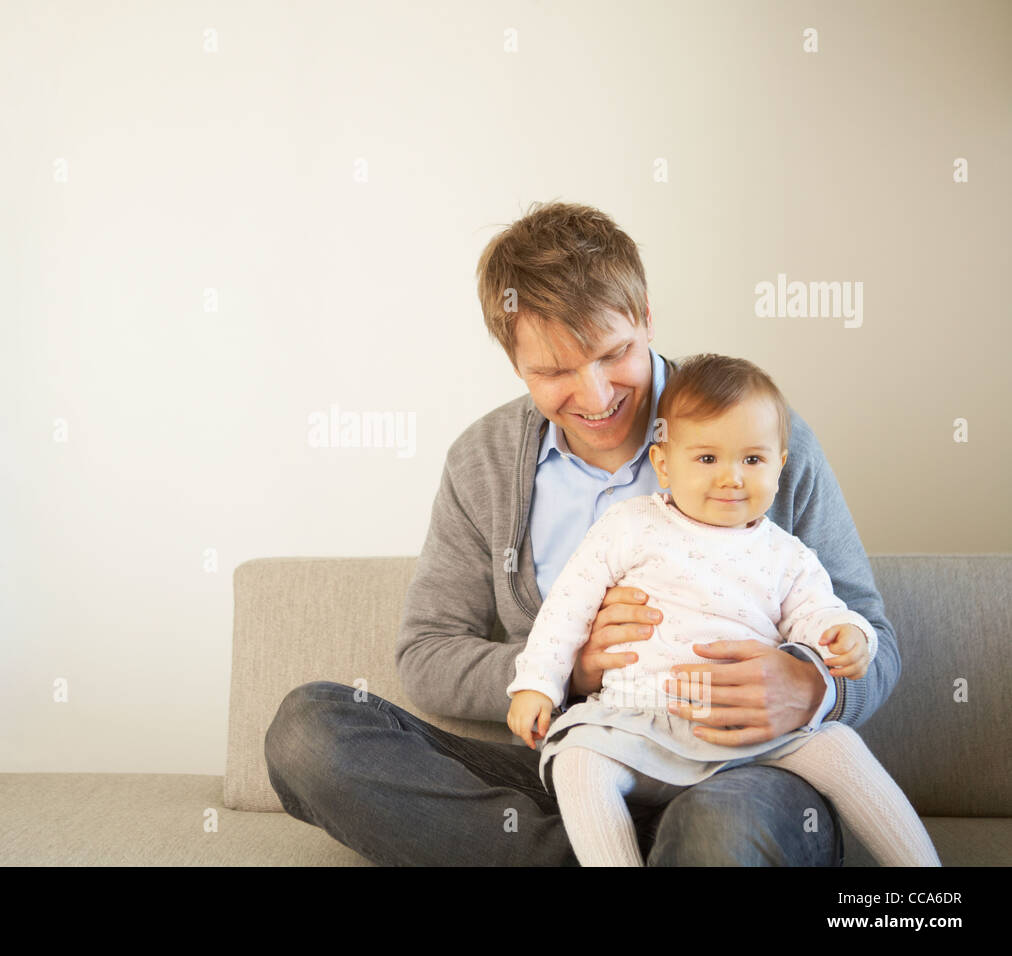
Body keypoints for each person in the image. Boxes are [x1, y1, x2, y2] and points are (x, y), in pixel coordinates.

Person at [264, 201, 900, 865]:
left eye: (613, 353)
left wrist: (811, 685)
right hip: (581, 763)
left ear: (647, 317)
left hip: (740, 771)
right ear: (514, 361)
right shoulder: (481, 462)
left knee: (720, 828)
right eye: (554, 372)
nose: (594, 396)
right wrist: (570, 664)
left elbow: (875, 641)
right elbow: (426, 654)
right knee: (309, 732)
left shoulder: (758, 437)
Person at [507, 352, 939, 866]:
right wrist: (539, 682)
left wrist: (848, 634)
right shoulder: (631, 526)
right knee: (576, 761)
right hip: (636, 720)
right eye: (707, 459)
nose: (732, 478)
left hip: (751, 731)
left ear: (780, 465)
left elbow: (820, 612)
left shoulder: (787, 555)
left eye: (752, 460)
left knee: (840, 747)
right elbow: (567, 607)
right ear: (663, 464)